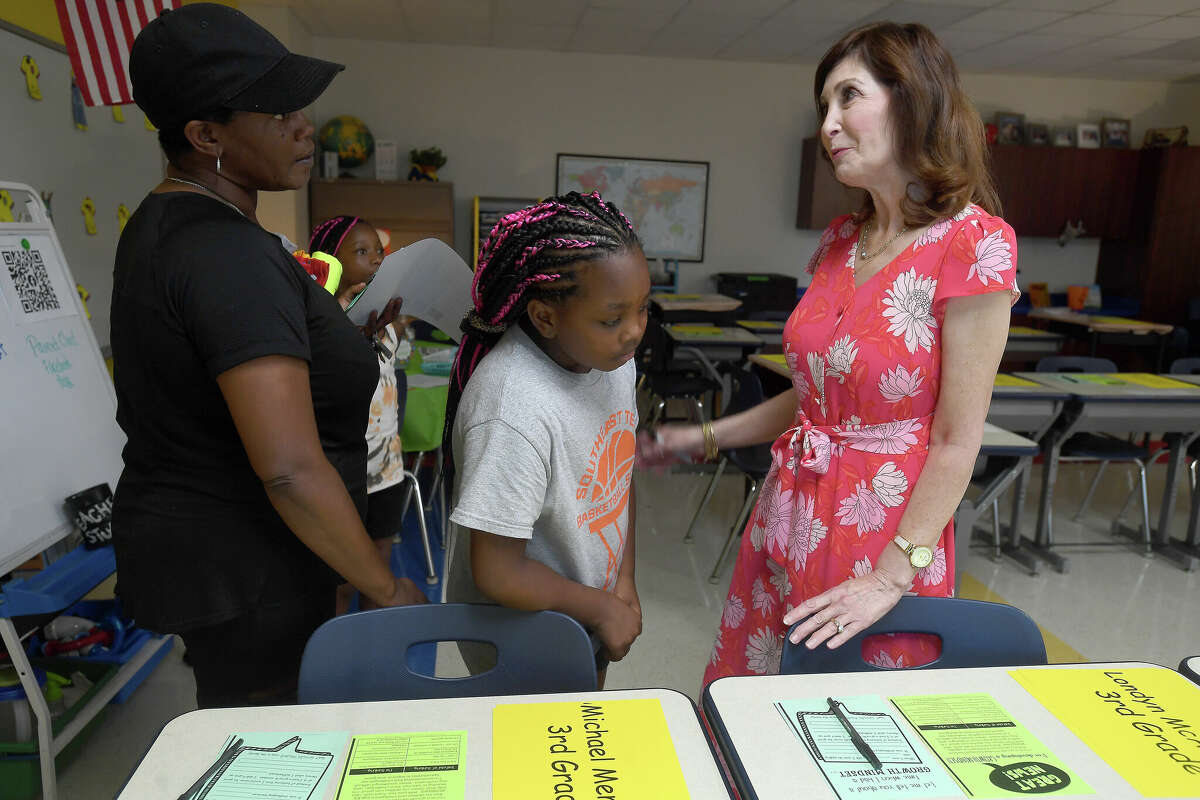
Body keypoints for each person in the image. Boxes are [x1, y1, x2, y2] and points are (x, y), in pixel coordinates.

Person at [640, 22, 1019, 682]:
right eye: (824, 107)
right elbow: (816, 400)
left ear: (913, 99)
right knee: (759, 704)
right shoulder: (843, 242)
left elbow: (958, 439)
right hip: (790, 510)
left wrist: (893, 576)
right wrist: (703, 435)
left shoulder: (973, 244)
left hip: (884, 533)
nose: (828, 125)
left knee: (851, 733)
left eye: (848, 97)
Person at [112, 3, 420, 709]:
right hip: (250, 571)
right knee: (274, 752)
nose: (304, 124)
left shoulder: (171, 222)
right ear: (205, 134)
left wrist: (344, 335)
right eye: (277, 110)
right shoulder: (227, 255)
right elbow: (287, 469)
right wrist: (384, 585)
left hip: (223, 560)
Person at [444, 192, 647, 685]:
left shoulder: (609, 360)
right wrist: (600, 607)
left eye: (644, 309)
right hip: (517, 638)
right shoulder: (512, 408)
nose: (635, 332)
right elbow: (498, 572)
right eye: (612, 319)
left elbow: (618, 477)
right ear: (545, 317)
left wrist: (623, 581)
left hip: (583, 615)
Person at [308, 215, 419, 613]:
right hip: (341, 470)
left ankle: (374, 648)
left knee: (379, 565)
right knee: (338, 578)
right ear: (329, 259)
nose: (375, 260)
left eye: (378, 252)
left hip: (386, 465)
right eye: (361, 251)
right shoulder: (320, 317)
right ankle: (334, 657)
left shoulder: (385, 318)